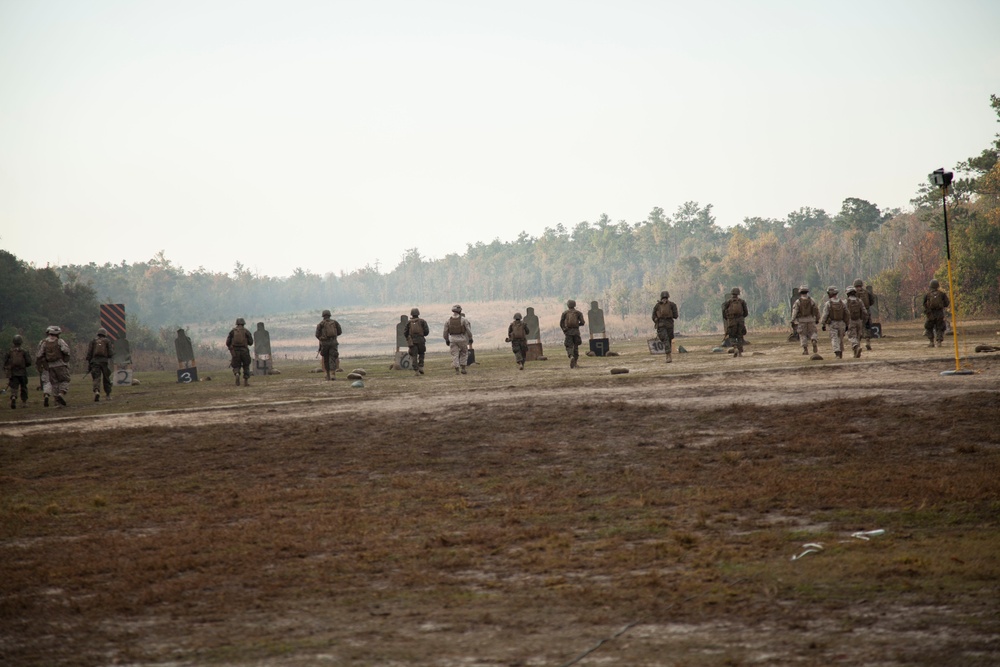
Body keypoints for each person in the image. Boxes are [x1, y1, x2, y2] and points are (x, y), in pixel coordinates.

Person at [36, 325, 71, 407]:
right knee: (65, 380)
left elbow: (39, 354)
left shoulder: (44, 343)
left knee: (54, 383)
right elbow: (66, 350)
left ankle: (56, 402)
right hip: (61, 365)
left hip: (50, 366)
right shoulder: (60, 341)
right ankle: (61, 394)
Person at [820, 286, 851, 359]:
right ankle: (841, 352)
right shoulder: (842, 302)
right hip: (842, 323)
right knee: (841, 339)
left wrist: (823, 323)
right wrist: (847, 324)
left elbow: (825, 314)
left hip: (833, 323)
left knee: (834, 338)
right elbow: (847, 313)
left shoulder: (828, 303)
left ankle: (837, 352)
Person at [86, 328, 115, 402]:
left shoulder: (93, 341)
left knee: (96, 377)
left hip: (95, 362)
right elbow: (111, 353)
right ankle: (108, 395)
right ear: (105, 334)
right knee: (106, 378)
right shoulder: (107, 341)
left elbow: (89, 353)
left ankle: (97, 391)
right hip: (104, 362)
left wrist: (89, 363)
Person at [443, 304, 473, 374]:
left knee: (454, 354)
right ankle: (463, 368)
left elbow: (445, 332)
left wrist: (446, 339)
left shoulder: (448, 320)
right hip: (462, 338)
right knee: (464, 353)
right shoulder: (464, 320)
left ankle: (457, 370)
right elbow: (468, 330)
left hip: (452, 339)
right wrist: (470, 338)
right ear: (460, 311)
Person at [4, 334, 32, 409]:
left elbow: (6, 361)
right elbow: (29, 362)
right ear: (21, 342)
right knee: (24, 387)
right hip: (22, 372)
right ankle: (24, 402)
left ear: (13, 342)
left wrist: (8, 368)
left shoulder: (10, 351)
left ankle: (13, 397)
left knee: (14, 387)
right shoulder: (24, 351)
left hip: (13, 373)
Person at [790, 286, 820, 355]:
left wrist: (792, 320)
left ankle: (805, 350)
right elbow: (816, 310)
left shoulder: (798, 302)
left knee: (802, 335)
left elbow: (795, 312)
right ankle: (814, 340)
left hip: (802, 321)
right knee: (813, 332)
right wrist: (817, 318)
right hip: (811, 319)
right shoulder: (812, 300)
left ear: (800, 292)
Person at [651, 291, 678, 363]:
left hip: (665, 324)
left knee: (668, 340)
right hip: (665, 325)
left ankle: (668, 354)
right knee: (666, 339)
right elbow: (676, 316)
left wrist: (656, 319)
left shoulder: (658, 305)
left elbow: (653, 316)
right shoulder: (671, 305)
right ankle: (668, 355)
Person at [315, 309, 342, 380]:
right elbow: (340, 332)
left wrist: (322, 339)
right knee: (332, 357)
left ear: (323, 316)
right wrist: (333, 337)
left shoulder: (321, 324)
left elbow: (317, 334)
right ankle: (333, 374)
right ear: (330, 315)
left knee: (326, 358)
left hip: (324, 343)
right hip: (333, 342)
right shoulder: (335, 322)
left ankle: (327, 375)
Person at [226, 317, 254, 386]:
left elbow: (227, 342)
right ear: (243, 323)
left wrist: (231, 347)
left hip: (235, 352)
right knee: (246, 365)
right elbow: (251, 342)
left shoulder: (232, 332)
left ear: (237, 323)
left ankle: (237, 374)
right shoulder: (246, 331)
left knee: (236, 365)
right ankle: (246, 381)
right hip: (244, 351)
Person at [923, 279, 950, 347]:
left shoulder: (927, 294)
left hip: (930, 313)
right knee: (940, 327)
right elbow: (947, 303)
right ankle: (939, 342)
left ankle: (931, 342)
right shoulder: (942, 294)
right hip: (939, 313)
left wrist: (927, 310)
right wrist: (941, 306)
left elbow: (924, 304)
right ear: (938, 286)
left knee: (929, 327)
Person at [722, 287, 749, 358]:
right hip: (740, 321)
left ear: (732, 294)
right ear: (738, 294)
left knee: (732, 336)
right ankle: (740, 352)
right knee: (740, 336)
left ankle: (735, 347)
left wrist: (728, 318)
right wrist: (741, 317)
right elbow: (746, 313)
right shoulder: (742, 302)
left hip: (732, 322)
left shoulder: (728, 302)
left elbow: (724, 312)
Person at [560, 299, 586, 368]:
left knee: (569, 346)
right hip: (576, 332)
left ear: (568, 305)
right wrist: (577, 325)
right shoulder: (578, 313)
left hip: (568, 332)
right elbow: (583, 322)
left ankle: (571, 356)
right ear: (575, 305)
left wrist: (564, 330)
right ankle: (575, 362)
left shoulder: (565, 313)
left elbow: (561, 323)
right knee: (576, 347)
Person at [844, 286, 869, 358]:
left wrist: (845, 322)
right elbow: (864, 311)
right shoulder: (859, 301)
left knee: (852, 336)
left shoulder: (846, 302)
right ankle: (856, 353)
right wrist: (865, 320)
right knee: (858, 337)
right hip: (859, 321)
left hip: (851, 321)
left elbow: (844, 312)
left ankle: (856, 347)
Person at [405, 307, 429, 375]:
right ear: (418, 313)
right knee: (421, 353)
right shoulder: (422, 321)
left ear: (411, 314)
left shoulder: (409, 322)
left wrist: (408, 338)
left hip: (412, 341)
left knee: (414, 355)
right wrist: (422, 335)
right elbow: (426, 331)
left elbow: (405, 332)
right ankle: (421, 366)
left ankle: (416, 370)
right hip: (421, 340)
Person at [853, 278, 875, 350]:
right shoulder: (867, 292)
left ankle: (858, 344)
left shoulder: (853, 293)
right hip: (867, 311)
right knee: (867, 326)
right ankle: (867, 342)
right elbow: (872, 301)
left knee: (858, 328)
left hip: (858, 312)